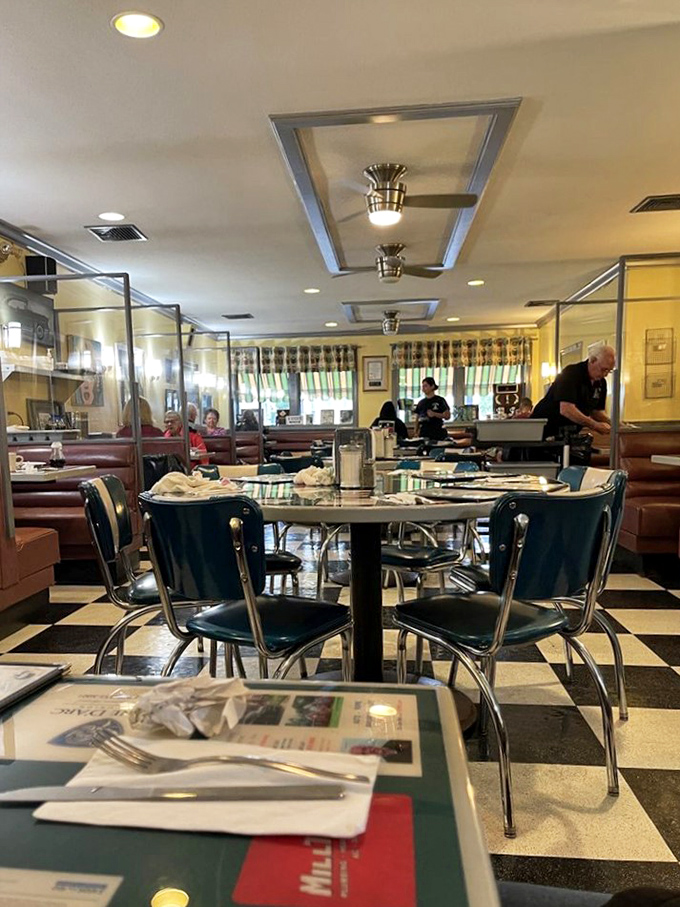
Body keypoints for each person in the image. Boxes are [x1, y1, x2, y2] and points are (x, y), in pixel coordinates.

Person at [532, 346, 615, 438]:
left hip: (568, 433)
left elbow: (596, 412)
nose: (605, 374)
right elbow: (566, 410)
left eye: (609, 371)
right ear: (592, 360)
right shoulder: (571, 373)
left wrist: (616, 425)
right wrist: (594, 425)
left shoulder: (601, 382)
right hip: (544, 429)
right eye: (603, 369)